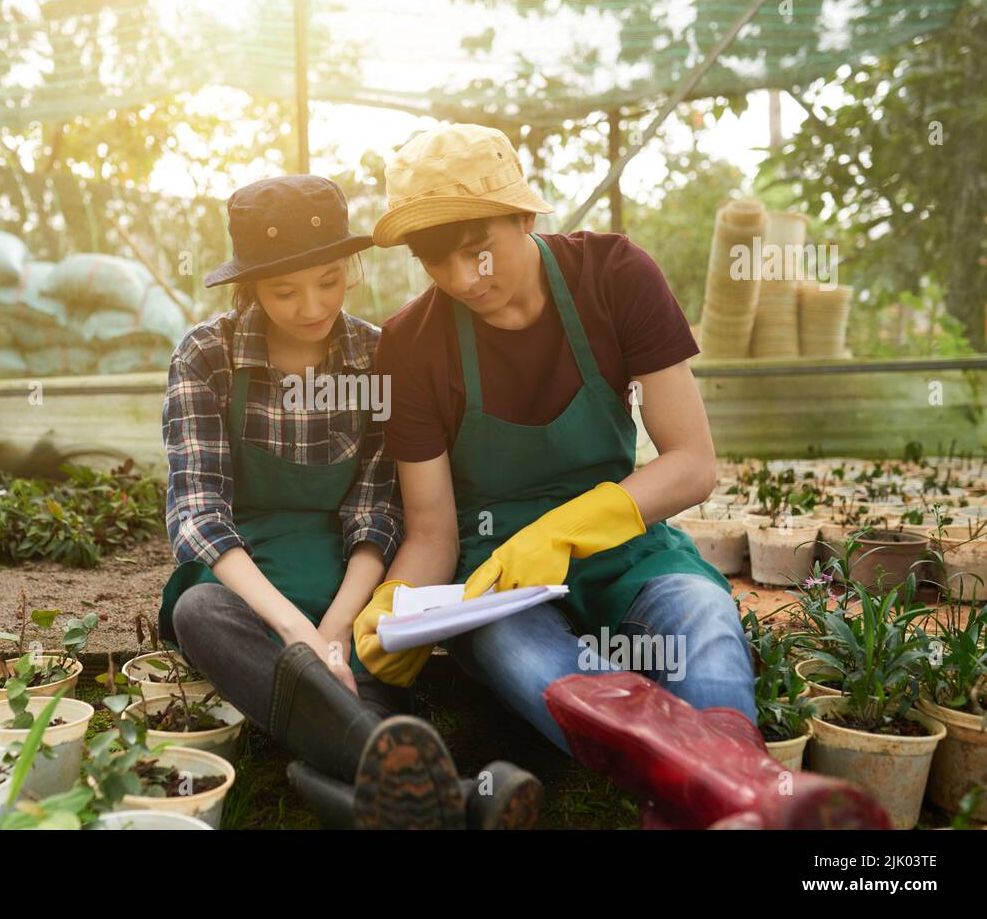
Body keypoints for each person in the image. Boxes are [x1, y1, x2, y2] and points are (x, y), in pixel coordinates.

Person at [353, 123, 758, 754]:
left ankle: (722, 787)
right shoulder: (410, 345)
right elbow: (433, 531)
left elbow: (691, 463)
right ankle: (717, 782)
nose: (463, 278)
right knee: (524, 658)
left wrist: (561, 532)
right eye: (435, 259)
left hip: (628, 550)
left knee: (704, 620)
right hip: (497, 581)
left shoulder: (614, 276)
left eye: (477, 247)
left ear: (523, 217)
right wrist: (396, 605)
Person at [159, 173, 543, 828]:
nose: (312, 304)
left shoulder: (375, 355)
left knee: (355, 664)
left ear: (352, 267)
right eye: (285, 290)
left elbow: (377, 511)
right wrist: (296, 632)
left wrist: (336, 629)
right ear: (250, 285)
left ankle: (380, 793)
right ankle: (450, 793)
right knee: (198, 612)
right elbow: (198, 512)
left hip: (350, 583)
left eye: (330, 280)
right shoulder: (207, 355)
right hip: (247, 590)